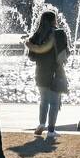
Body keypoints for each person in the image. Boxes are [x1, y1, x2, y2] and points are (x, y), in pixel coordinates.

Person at [25, 11, 68, 141]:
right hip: (55, 72)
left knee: (44, 100)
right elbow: (66, 53)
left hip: (40, 72)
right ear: (54, 20)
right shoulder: (59, 33)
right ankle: (51, 130)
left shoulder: (37, 35)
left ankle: (41, 123)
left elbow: (31, 57)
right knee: (54, 102)